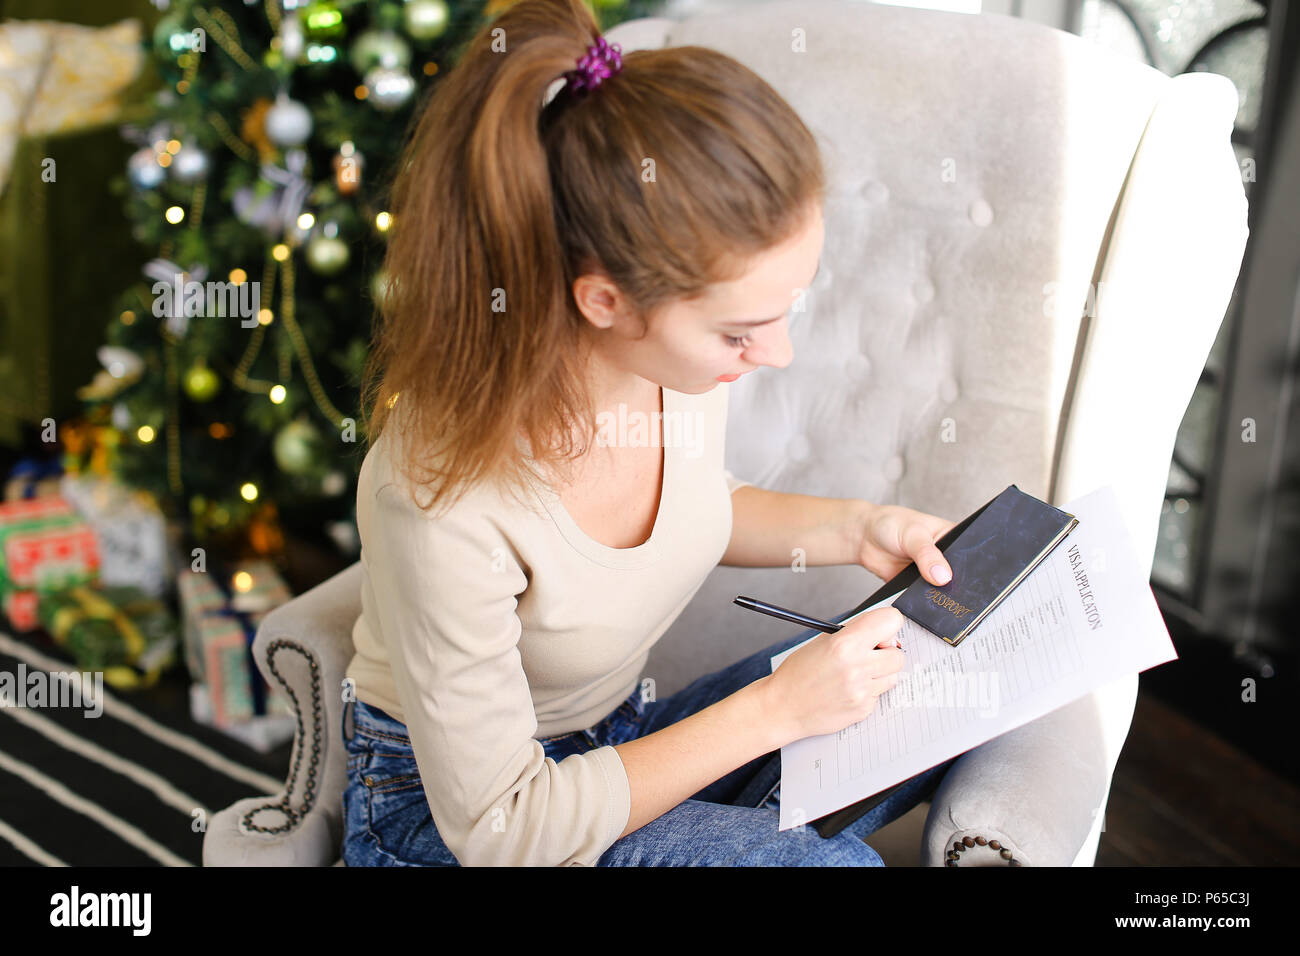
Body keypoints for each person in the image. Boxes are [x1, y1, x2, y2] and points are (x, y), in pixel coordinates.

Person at [341, 0, 961, 867]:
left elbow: (692, 505)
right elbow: (503, 829)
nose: (775, 355)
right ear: (604, 301)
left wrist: (860, 529)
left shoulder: (670, 368)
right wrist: (778, 711)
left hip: (617, 744)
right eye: (741, 332)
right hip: (460, 827)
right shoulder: (437, 495)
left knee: (941, 675)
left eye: (786, 313)